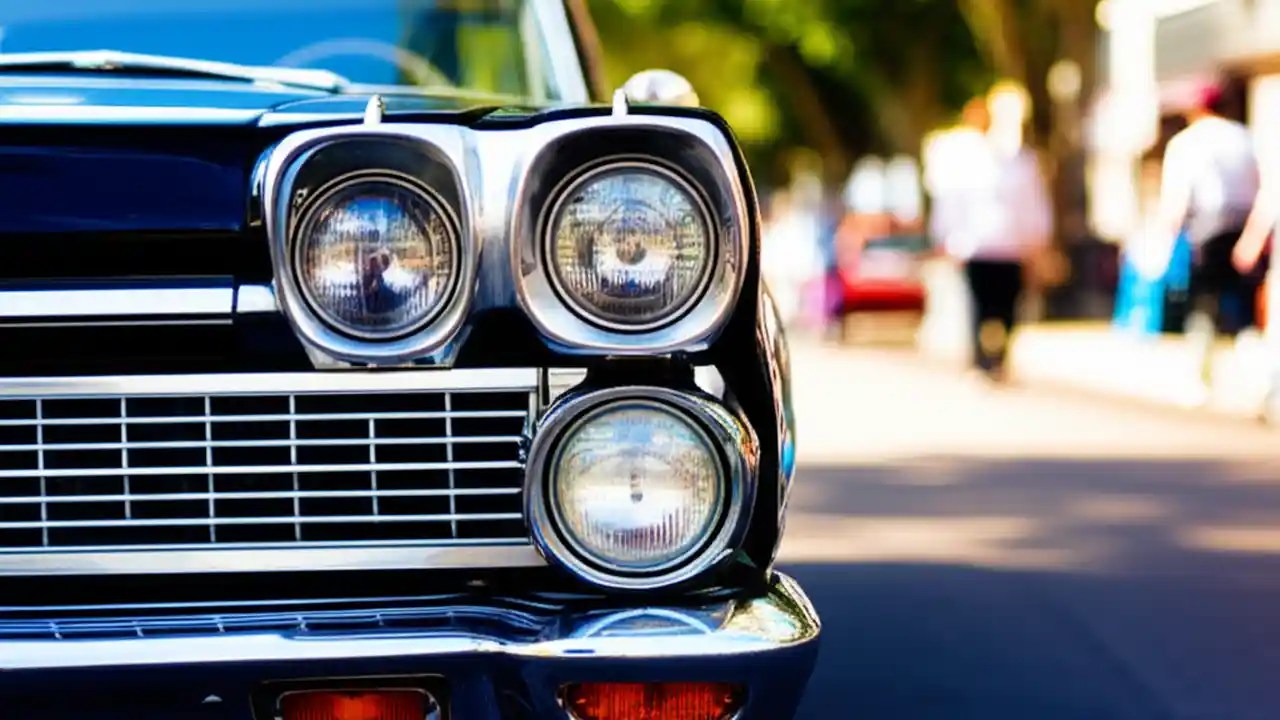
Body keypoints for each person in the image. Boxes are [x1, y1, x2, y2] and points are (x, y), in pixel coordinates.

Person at [927, 85, 1052, 382]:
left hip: (1012, 247)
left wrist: (1039, 241)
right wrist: (947, 237)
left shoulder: (1025, 162)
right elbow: (953, 201)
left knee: (1009, 306)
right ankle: (981, 360)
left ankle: (999, 358)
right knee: (979, 306)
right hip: (977, 245)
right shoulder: (970, 159)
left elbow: (1035, 205)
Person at [1155, 82, 1261, 402]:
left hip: (1205, 229)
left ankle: (1200, 380)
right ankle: (1260, 382)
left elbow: (1177, 197)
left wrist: (1165, 239)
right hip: (1244, 227)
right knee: (1244, 312)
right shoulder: (1247, 139)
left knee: (1203, 306)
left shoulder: (1188, 143)